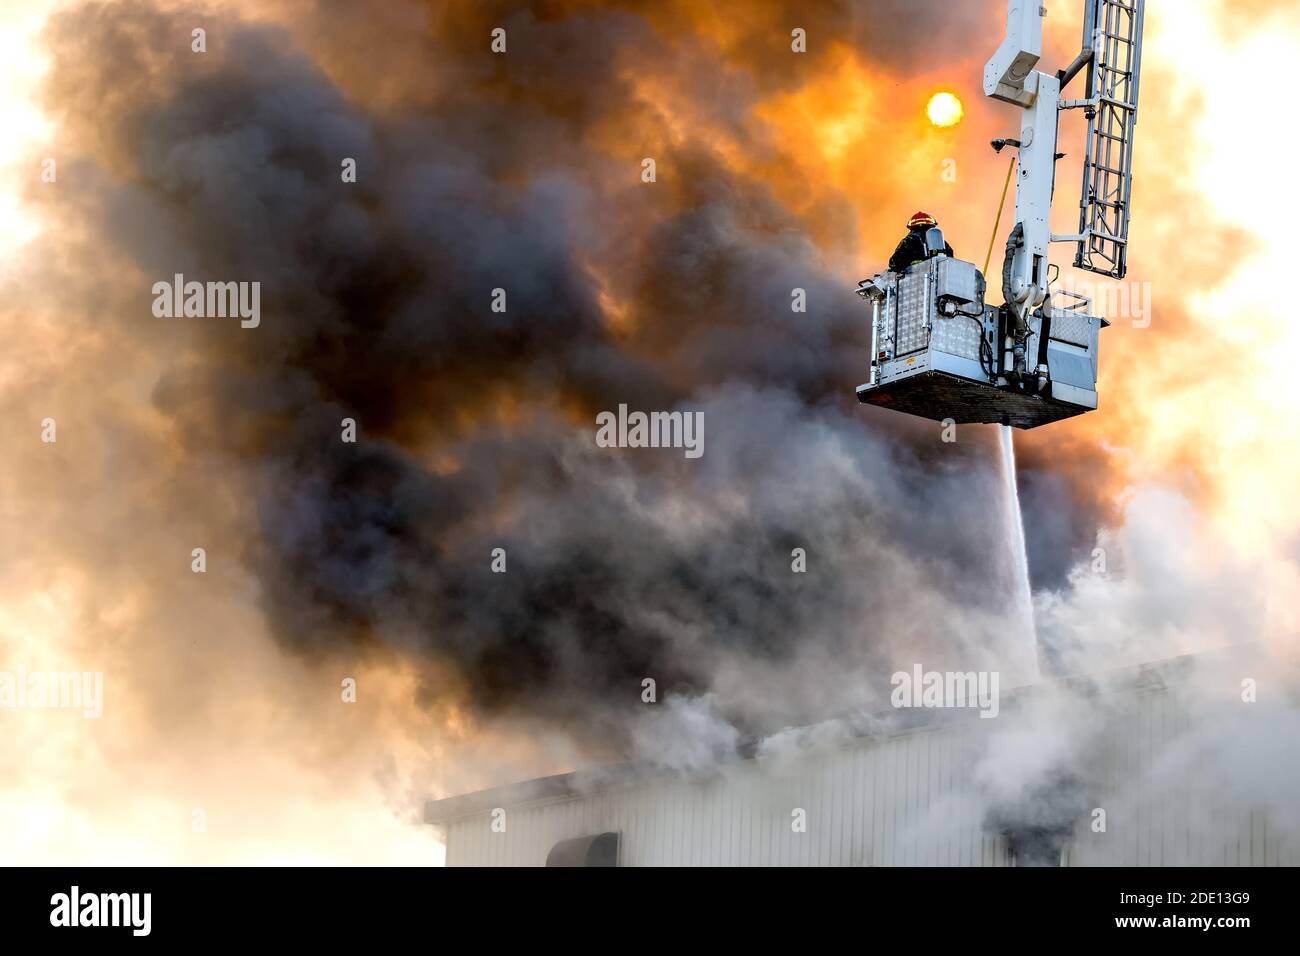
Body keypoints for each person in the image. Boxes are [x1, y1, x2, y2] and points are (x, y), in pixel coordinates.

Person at [888, 211, 954, 274]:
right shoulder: (941, 242)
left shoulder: (909, 240)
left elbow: (894, 263)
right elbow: (950, 263)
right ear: (932, 225)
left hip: (916, 281)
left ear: (912, 227)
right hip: (940, 277)